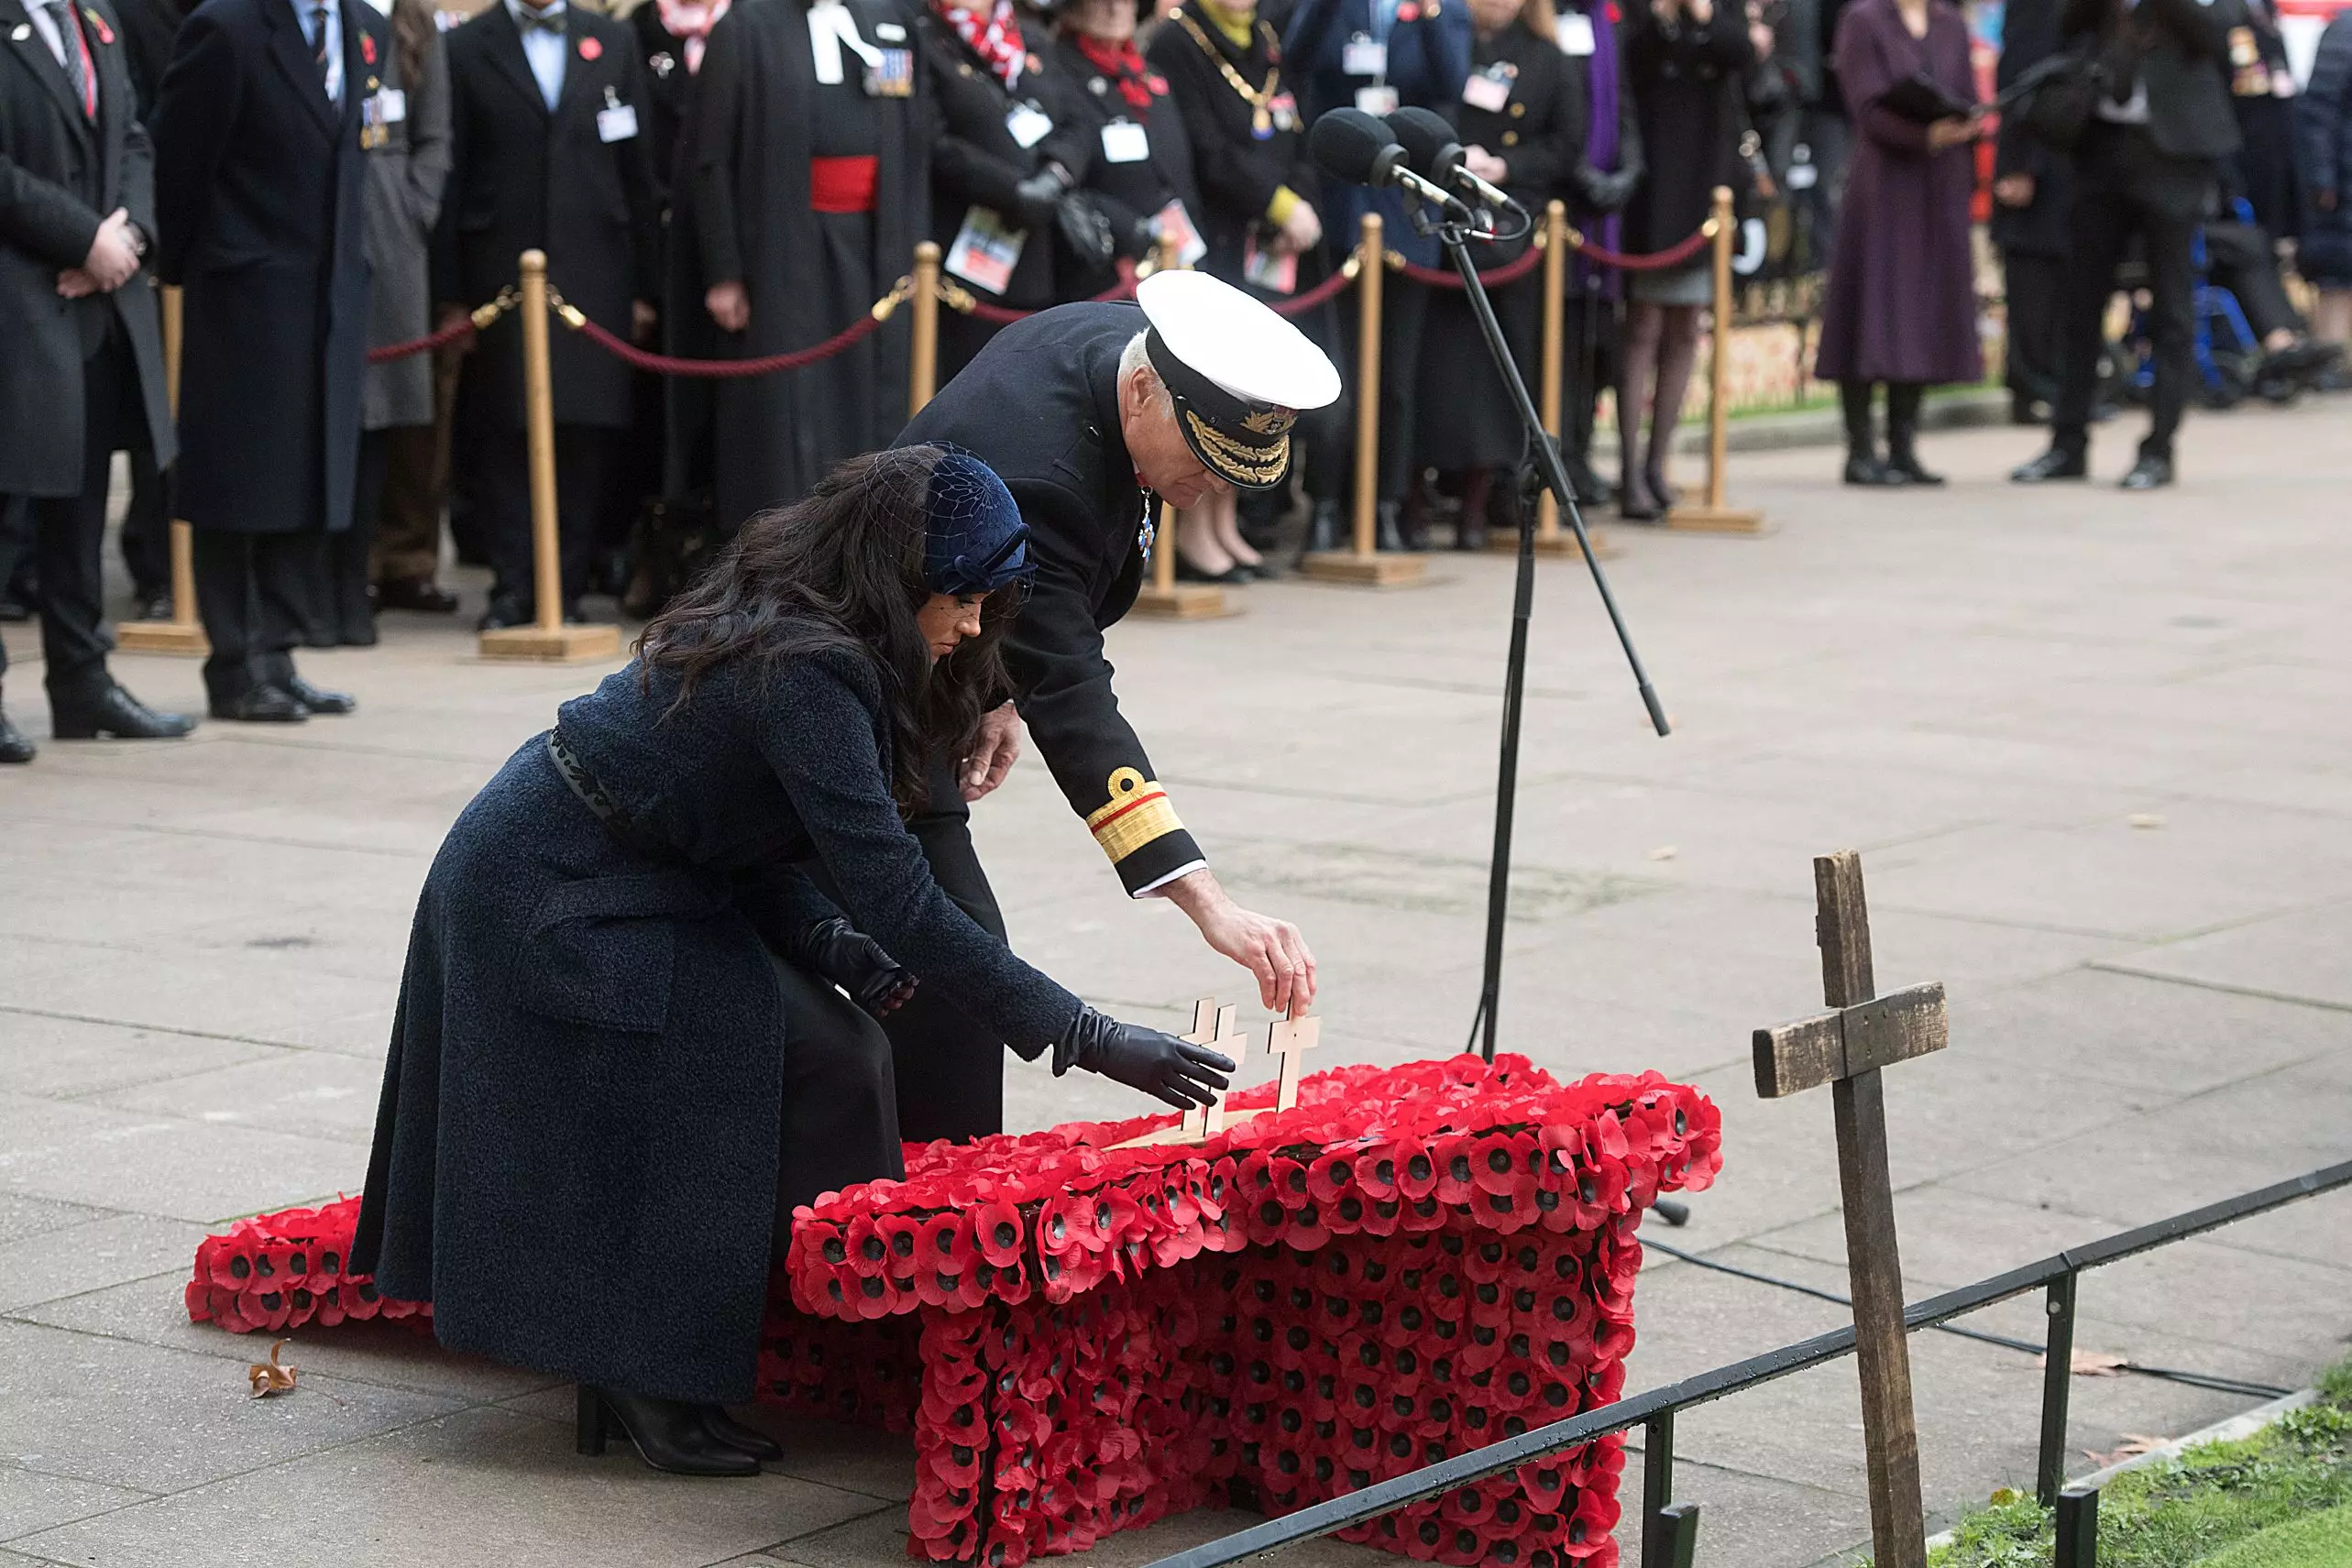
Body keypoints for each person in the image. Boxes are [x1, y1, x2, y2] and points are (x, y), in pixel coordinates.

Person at [351, 445, 1236, 1475]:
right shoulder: (807, 667)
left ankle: (729, 1338)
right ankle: (652, 1362)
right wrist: (1086, 1035)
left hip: (640, 877)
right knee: (786, 1051)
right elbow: (903, 895)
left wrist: (833, 946)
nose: (968, 632)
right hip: (552, 897)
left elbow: (734, 831)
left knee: (839, 1047)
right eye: (962, 603)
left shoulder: (825, 633)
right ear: (904, 585)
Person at [888, 269, 1334, 1144]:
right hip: (862, 702)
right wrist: (1211, 905)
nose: (1211, 490)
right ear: (1142, 391)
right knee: (958, 967)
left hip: (935, 665)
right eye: (1204, 461)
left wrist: (998, 687)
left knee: (943, 969)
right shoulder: (1040, 472)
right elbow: (1078, 699)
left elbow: (1042, 626)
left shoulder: (1129, 349)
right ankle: (927, 1219)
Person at [150, 0, 382, 721]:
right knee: (236, 484)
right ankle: (233, 662)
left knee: (306, 479)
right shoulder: (227, 26)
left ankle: (277, 653)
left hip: (331, 293)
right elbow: (178, 164)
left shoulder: (360, 26)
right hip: (246, 290)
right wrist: (197, 270)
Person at [0, 0, 195, 762]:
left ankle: (81, 682)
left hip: (97, 303)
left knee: (79, 508)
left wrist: (130, 235)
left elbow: (135, 137)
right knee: (8, 508)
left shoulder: (93, 18)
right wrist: (82, 237)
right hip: (21, 302)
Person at [436, 0, 662, 629]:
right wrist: (452, 292)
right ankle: (513, 589)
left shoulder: (612, 40)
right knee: (506, 431)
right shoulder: (466, 45)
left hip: (597, 271)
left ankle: (564, 585)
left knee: (587, 434)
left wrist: (647, 285)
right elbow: (451, 174)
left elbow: (637, 169)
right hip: (500, 270)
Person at [679, 0, 929, 537]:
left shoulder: (886, 21)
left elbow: (913, 145)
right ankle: (783, 558)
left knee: (872, 404)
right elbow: (710, 160)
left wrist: (910, 249)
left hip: (873, 248)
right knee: (787, 412)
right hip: (782, 250)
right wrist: (725, 271)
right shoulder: (745, 28)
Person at [2010, 0, 2248, 491]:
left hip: (2173, 157)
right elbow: (2066, 23)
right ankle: (2066, 443)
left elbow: (2218, 33)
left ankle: (2159, 448)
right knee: (2080, 305)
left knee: (2172, 310)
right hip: (2100, 150)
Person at [1146, 0, 1341, 572]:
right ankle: (1191, 533)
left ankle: (1223, 524)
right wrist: (1276, 206)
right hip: (1217, 238)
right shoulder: (1177, 39)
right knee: (1212, 392)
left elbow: (1296, 132)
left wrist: (1297, 202)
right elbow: (1206, 151)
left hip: (1270, 246)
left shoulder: (1263, 38)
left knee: (1248, 395)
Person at [1287, 0, 1471, 552]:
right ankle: (1324, 503)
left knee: (1395, 379)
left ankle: (1384, 503)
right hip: (1343, 211)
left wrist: (1429, 12)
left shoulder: (1441, 11)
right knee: (1337, 372)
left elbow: (1450, 79)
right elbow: (1298, 58)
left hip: (1407, 216)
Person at [1412, 0, 1584, 549]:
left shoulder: (1547, 57)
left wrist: (1506, 166)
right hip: (1445, 219)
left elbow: (1566, 143)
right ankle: (1420, 495)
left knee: (1500, 372)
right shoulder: (1448, 41)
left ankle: (1483, 501)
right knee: (1442, 373)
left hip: (1509, 224)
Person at [1810, 0, 1981, 485]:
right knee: (1873, 302)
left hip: (1940, 182)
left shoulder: (1949, 24)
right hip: (1885, 184)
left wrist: (1964, 125)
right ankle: (1861, 447)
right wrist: (1922, 134)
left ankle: (1904, 445)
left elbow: (1966, 92)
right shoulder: (1864, 19)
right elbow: (1864, 104)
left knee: (1925, 306)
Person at [332, 0, 451, 647]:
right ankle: (322, 582)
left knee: (382, 417)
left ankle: (362, 580)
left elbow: (436, 137)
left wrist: (413, 207)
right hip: (318, 226)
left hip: (391, 233)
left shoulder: (417, 24)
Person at [1616, 0, 1752, 521]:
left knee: (1684, 329)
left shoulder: (1717, 12)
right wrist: (1663, 18)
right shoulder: (1642, 17)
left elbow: (1741, 55)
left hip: (1704, 189)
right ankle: (1629, 470)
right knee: (1644, 328)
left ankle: (1657, 464)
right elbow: (1633, 63)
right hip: (1652, 190)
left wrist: (1700, 15)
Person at [916, 0, 1102, 379]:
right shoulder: (923, 33)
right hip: (963, 253)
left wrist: (1056, 173)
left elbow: (1078, 122)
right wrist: (1014, 190)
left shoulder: (1027, 37)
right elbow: (934, 142)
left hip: (1038, 247)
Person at [1555, 0, 1640, 505]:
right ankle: (1557, 455)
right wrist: (1578, 173)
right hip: (1559, 206)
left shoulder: (1609, 16)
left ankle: (1582, 452)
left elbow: (1622, 101)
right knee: (1560, 344)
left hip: (1605, 214)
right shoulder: (1547, 17)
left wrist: (1628, 168)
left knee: (1596, 342)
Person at [1992, 0, 2072, 424]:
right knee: (2033, 277)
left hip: (2069, 155)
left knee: (2060, 276)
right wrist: (2018, 163)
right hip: (2036, 157)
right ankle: (2034, 384)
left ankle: (2055, 381)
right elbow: (2020, 78)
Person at [2299, 6, 2352, 365]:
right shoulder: (2346, 29)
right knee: (2338, 271)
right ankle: (2331, 364)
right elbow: (2318, 110)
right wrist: (2322, 175)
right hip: (2345, 178)